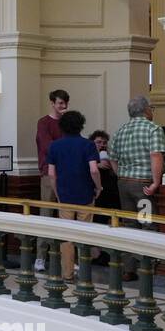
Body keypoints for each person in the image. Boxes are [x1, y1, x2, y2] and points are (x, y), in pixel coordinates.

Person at [47, 110, 101, 283]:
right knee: (85, 235)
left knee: (66, 237)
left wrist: (57, 193)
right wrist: (98, 187)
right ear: (81, 125)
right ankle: (84, 274)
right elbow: (94, 169)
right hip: (85, 194)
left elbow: (51, 174)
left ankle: (67, 274)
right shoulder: (88, 145)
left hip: (65, 195)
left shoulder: (55, 146)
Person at [108, 95, 165, 228]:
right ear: (146, 110)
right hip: (143, 186)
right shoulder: (153, 129)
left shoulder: (120, 131)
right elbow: (156, 155)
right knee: (147, 223)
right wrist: (156, 182)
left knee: (129, 224)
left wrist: (122, 175)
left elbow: (112, 158)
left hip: (123, 184)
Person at [34, 89, 69, 273]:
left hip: (66, 174)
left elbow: (71, 142)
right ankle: (40, 257)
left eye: (65, 103)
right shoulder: (44, 123)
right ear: (52, 103)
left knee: (67, 215)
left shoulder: (67, 124)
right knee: (46, 213)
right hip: (49, 173)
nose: (63, 106)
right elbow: (48, 147)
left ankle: (68, 257)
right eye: (60, 103)